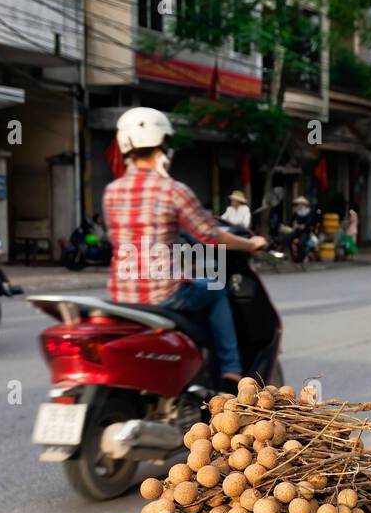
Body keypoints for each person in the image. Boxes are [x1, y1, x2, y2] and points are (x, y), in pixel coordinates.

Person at [103, 107, 267, 385]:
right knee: (216, 288)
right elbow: (211, 236)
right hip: (161, 296)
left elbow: (118, 237)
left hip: (120, 297)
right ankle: (231, 368)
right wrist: (250, 243)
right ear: (163, 146)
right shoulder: (172, 190)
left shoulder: (112, 191)